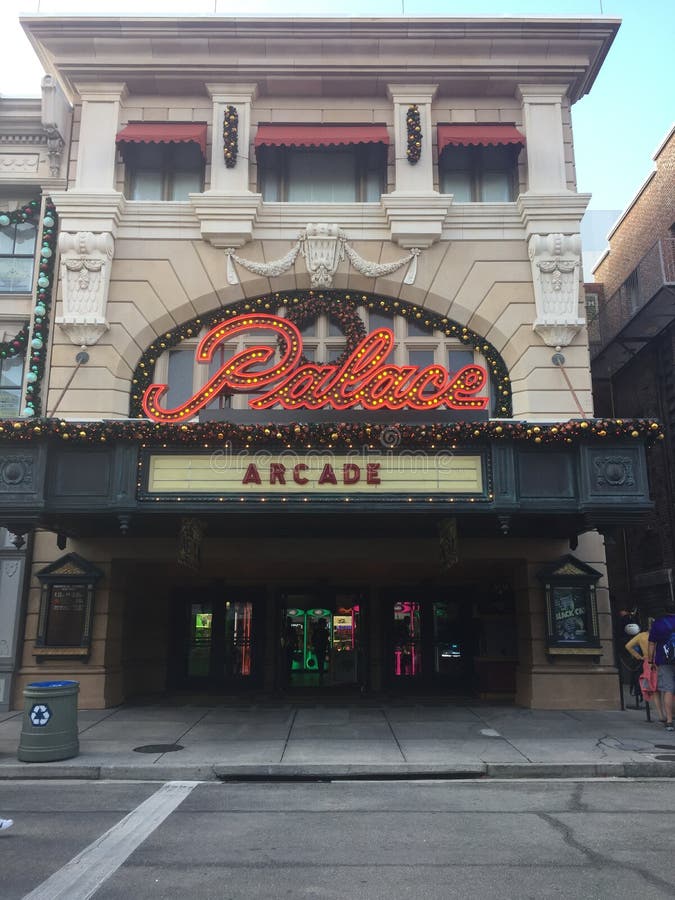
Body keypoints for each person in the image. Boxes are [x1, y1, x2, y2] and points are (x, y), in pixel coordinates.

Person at [625, 622, 665, 721]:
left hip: (648, 662)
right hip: (662, 661)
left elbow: (628, 646)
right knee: (667, 689)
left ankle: (661, 715)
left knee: (655, 690)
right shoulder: (661, 634)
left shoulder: (641, 636)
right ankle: (669, 712)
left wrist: (639, 656)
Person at [647, 610, 675, 732]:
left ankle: (669, 721)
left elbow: (651, 644)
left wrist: (650, 661)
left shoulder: (658, 624)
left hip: (664, 660)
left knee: (668, 689)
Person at [312, 618, 330, 684]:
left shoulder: (316, 631)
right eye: (324, 623)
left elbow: (312, 640)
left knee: (320, 661)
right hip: (322, 648)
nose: (325, 624)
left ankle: (321, 673)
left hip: (318, 648)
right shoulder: (325, 631)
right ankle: (321, 673)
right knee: (321, 660)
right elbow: (327, 640)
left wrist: (314, 645)